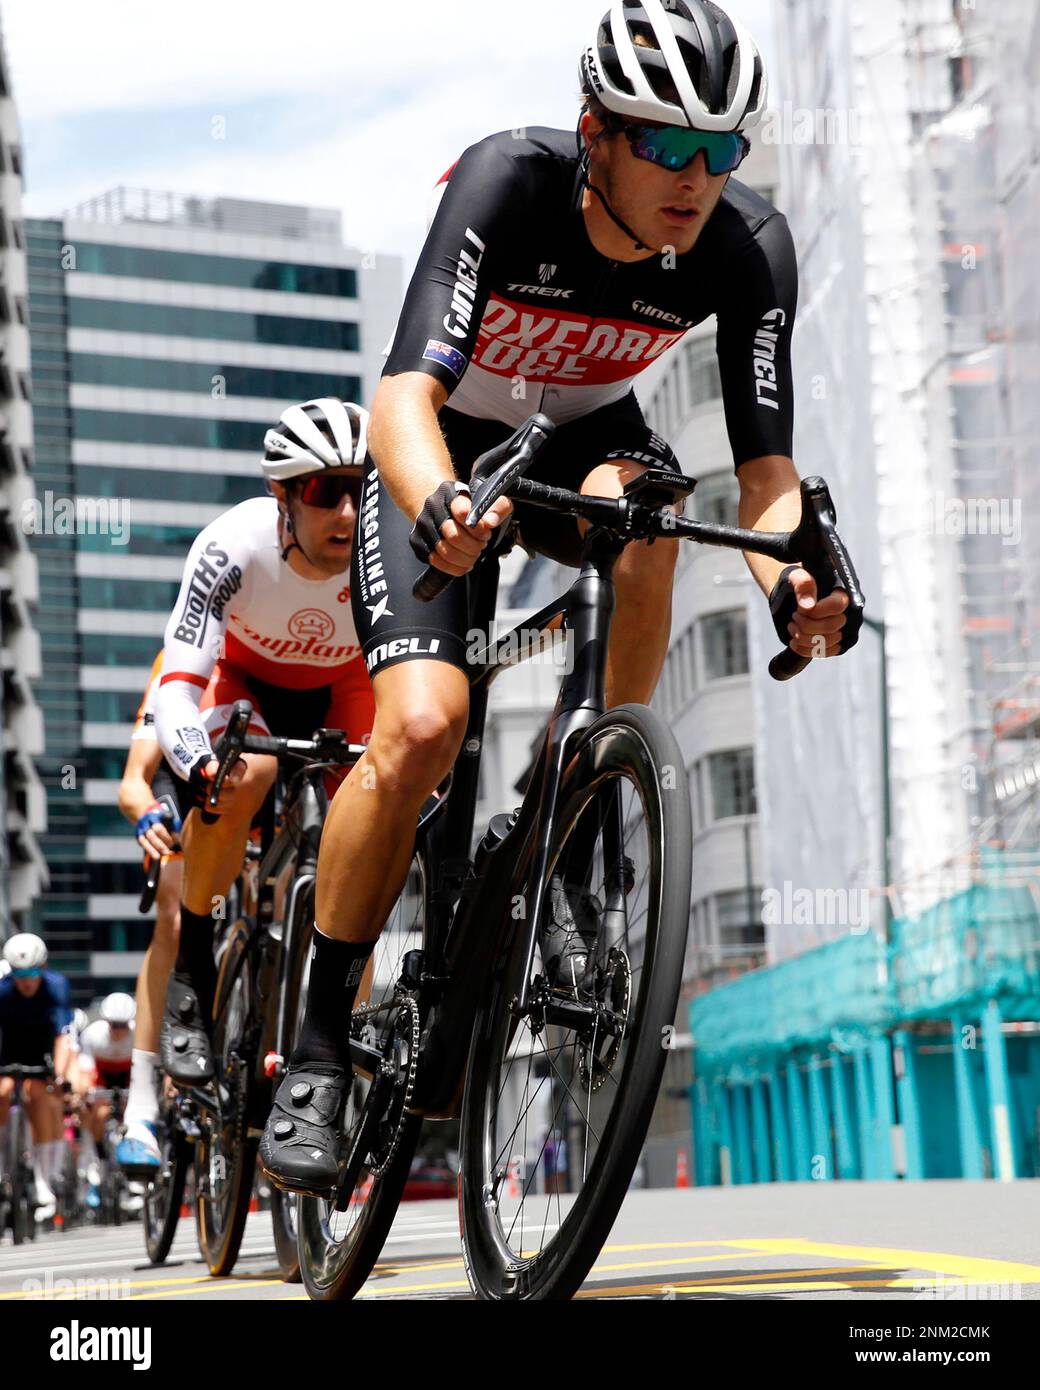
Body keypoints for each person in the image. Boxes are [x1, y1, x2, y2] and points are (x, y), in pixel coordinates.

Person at [260, 0, 851, 1195]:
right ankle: (319, 1047)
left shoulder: (744, 247)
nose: (696, 178)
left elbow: (768, 482)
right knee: (423, 725)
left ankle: (584, 799)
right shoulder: (507, 182)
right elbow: (400, 404)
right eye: (665, 146)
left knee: (652, 516)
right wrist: (431, 504)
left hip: (582, 442)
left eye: (719, 149)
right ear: (595, 132)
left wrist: (795, 576)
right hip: (448, 441)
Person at [153, 398, 374, 1089]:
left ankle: (339, 1026)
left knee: (376, 817)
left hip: (348, 688)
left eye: (360, 489)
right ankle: (192, 971)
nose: (346, 513)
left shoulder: (386, 550)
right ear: (282, 494)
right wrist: (199, 765)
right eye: (322, 490)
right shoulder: (232, 545)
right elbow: (176, 686)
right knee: (244, 776)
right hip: (245, 683)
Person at [111, 653, 185, 1171]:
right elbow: (134, 780)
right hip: (181, 789)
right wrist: (145, 817)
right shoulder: (180, 654)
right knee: (175, 918)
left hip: (259, 790)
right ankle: (140, 1107)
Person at [0, 934, 74, 1220]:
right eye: (19, 974)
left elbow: (63, 1036)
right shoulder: (4, 991)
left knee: (40, 1096)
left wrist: (59, 1073)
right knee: (3, 1093)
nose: (26, 981)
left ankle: (43, 1180)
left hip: (42, 1048)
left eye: (31, 972)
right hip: (10, 1047)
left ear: (42, 967)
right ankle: (4, 1169)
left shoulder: (56, 987)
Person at [72, 993, 136, 1206]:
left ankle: (131, 1163)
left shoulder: (137, 1035)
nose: (118, 1031)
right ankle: (99, 1155)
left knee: (132, 1113)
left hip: (128, 1073)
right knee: (98, 1113)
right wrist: (86, 1092)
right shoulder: (93, 1035)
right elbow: (86, 1070)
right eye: (114, 1025)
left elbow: (142, 1071)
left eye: (123, 1025)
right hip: (101, 1074)